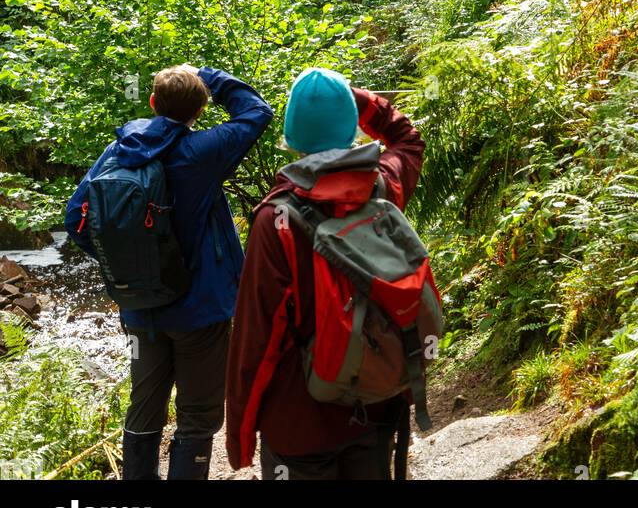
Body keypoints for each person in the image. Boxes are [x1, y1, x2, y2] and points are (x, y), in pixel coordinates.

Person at [65, 64, 273, 481]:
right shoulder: (203, 153)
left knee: (144, 406)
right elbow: (256, 112)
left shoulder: (118, 151)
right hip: (200, 312)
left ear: (153, 103)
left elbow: (76, 219)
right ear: (199, 110)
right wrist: (206, 74)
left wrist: (125, 263)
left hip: (140, 310)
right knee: (196, 415)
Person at [225, 67, 425, 480]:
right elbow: (407, 138)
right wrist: (352, 98)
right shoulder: (381, 185)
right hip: (376, 403)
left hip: (299, 423)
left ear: (293, 136)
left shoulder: (276, 219)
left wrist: (240, 437)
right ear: (348, 124)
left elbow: (256, 338)